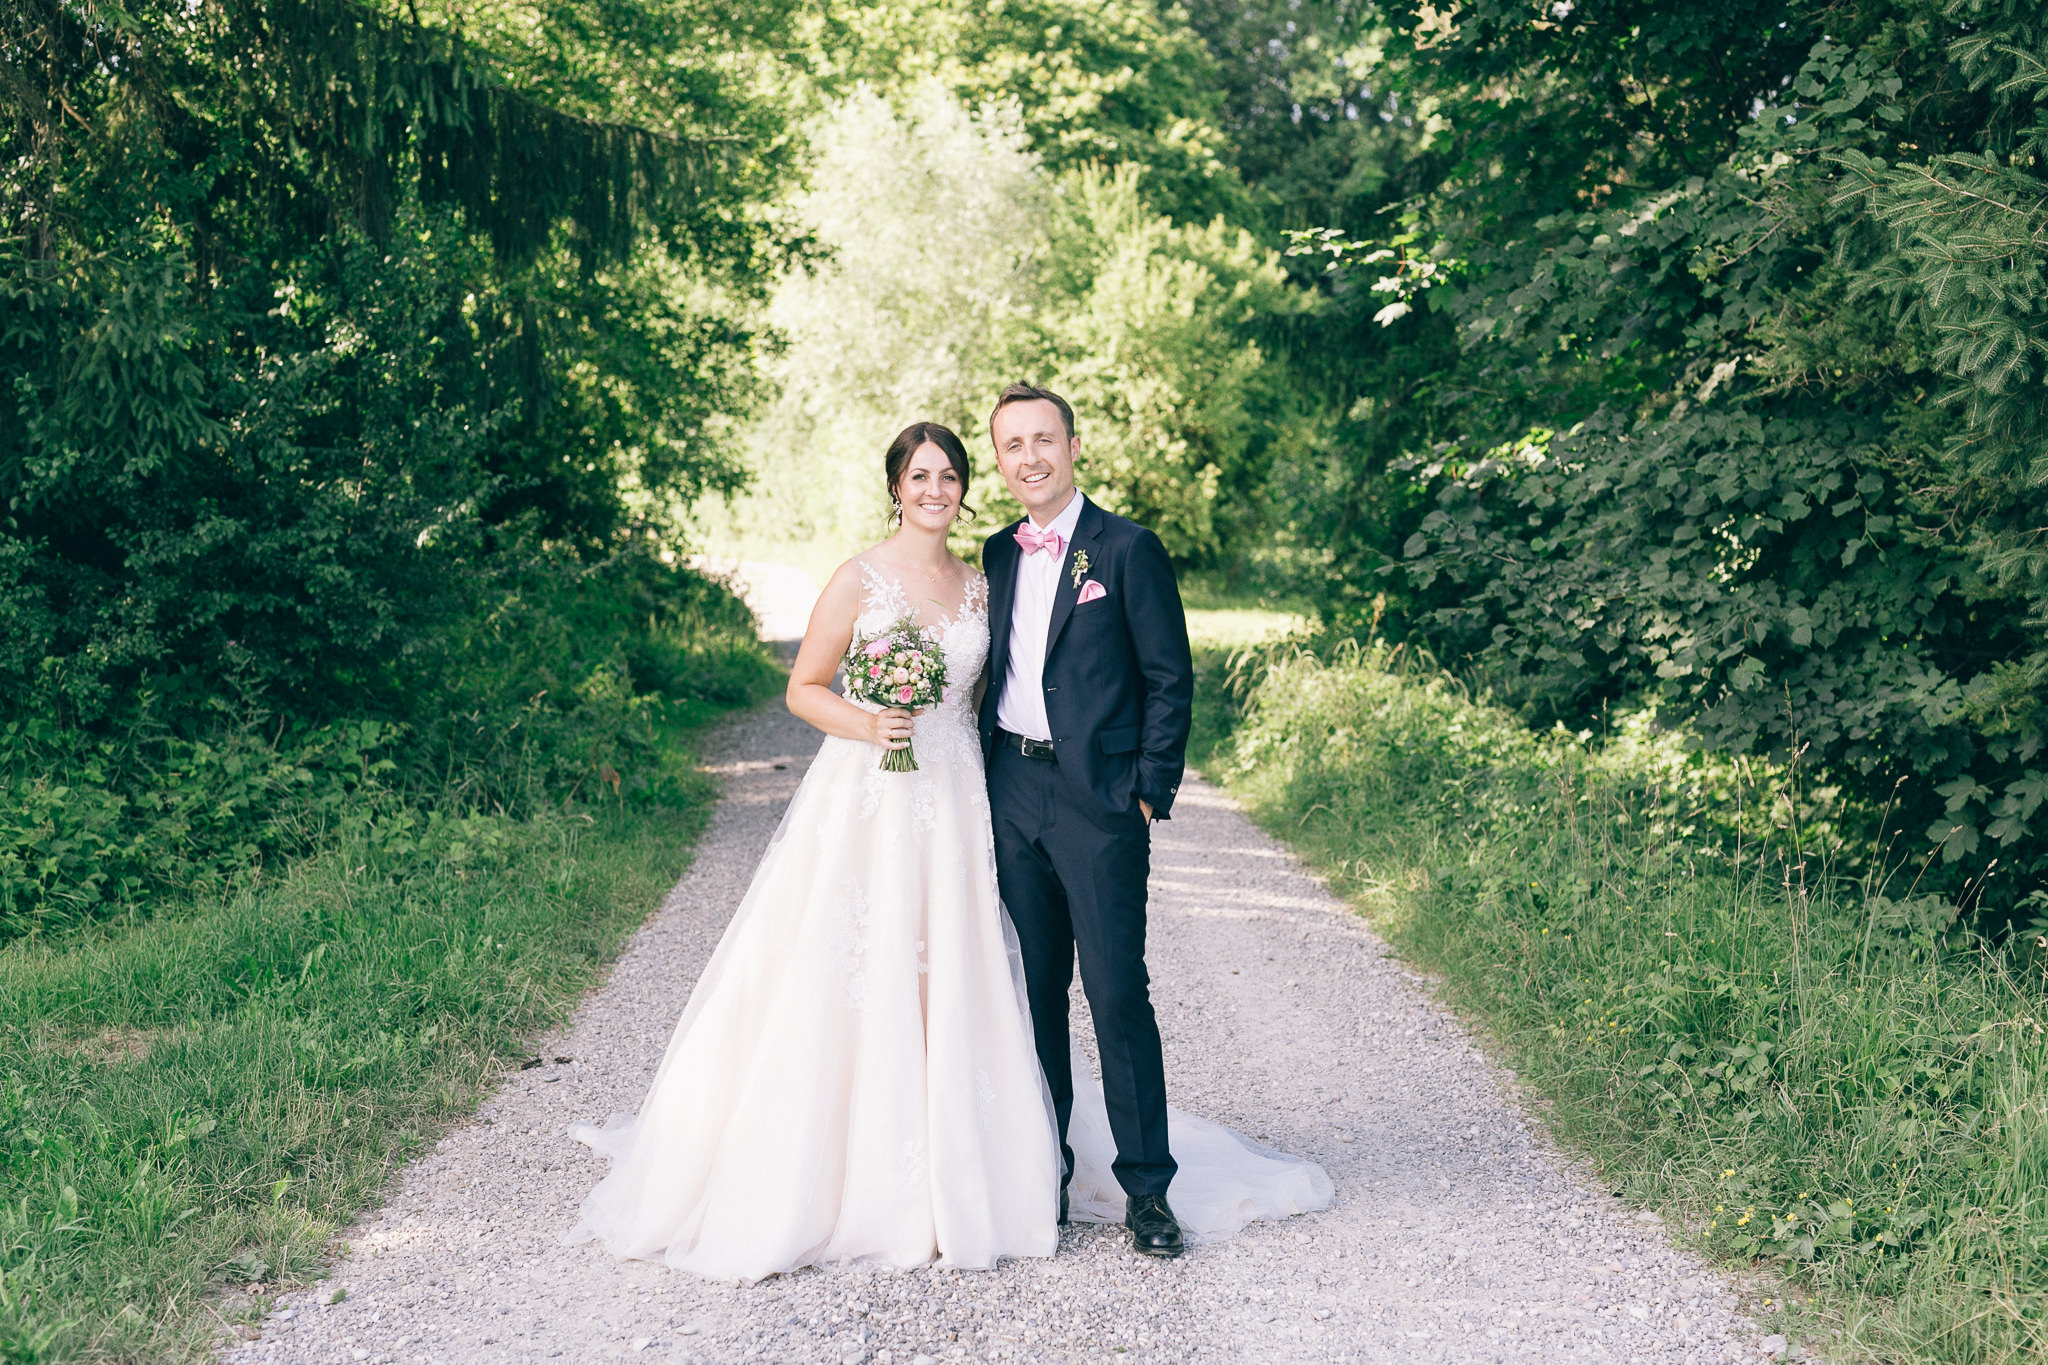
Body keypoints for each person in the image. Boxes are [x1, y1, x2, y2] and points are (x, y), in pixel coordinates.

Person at [564, 415, 1329, 1283]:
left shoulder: (1036, 565)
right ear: (897, 486)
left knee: (1099, 987)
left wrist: (1149, 784)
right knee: (984, 983)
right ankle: (1018, 1169)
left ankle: (1144, 1188)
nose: (937, 488)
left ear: (1047, 457)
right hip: (914, 799)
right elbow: (805, 686)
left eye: (949, 475)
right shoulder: (896, 572)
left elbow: (1158, 672)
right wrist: (868, 720)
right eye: (921, 476)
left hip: (1011, 797)